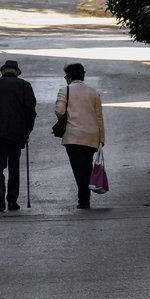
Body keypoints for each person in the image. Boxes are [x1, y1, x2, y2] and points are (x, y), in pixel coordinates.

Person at [0, 59, 37, 212]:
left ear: (3, 71)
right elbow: (30, 110)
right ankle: (12, 200)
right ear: (17, 73)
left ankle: (0, 192)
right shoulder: (24, 85)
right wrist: (27, 131)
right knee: (14, 167)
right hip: (16, 133)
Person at [55, 63, 105, 209]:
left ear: (69, 77)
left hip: (73, 136)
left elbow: (59, 111)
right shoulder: (93, 92)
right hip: (91, 136)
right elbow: (99, 117)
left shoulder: (65, 90)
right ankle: (85, 197)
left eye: (66, 77)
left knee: (78, 169)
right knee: (87, 166)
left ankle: (83, 199)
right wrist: (102, 138)